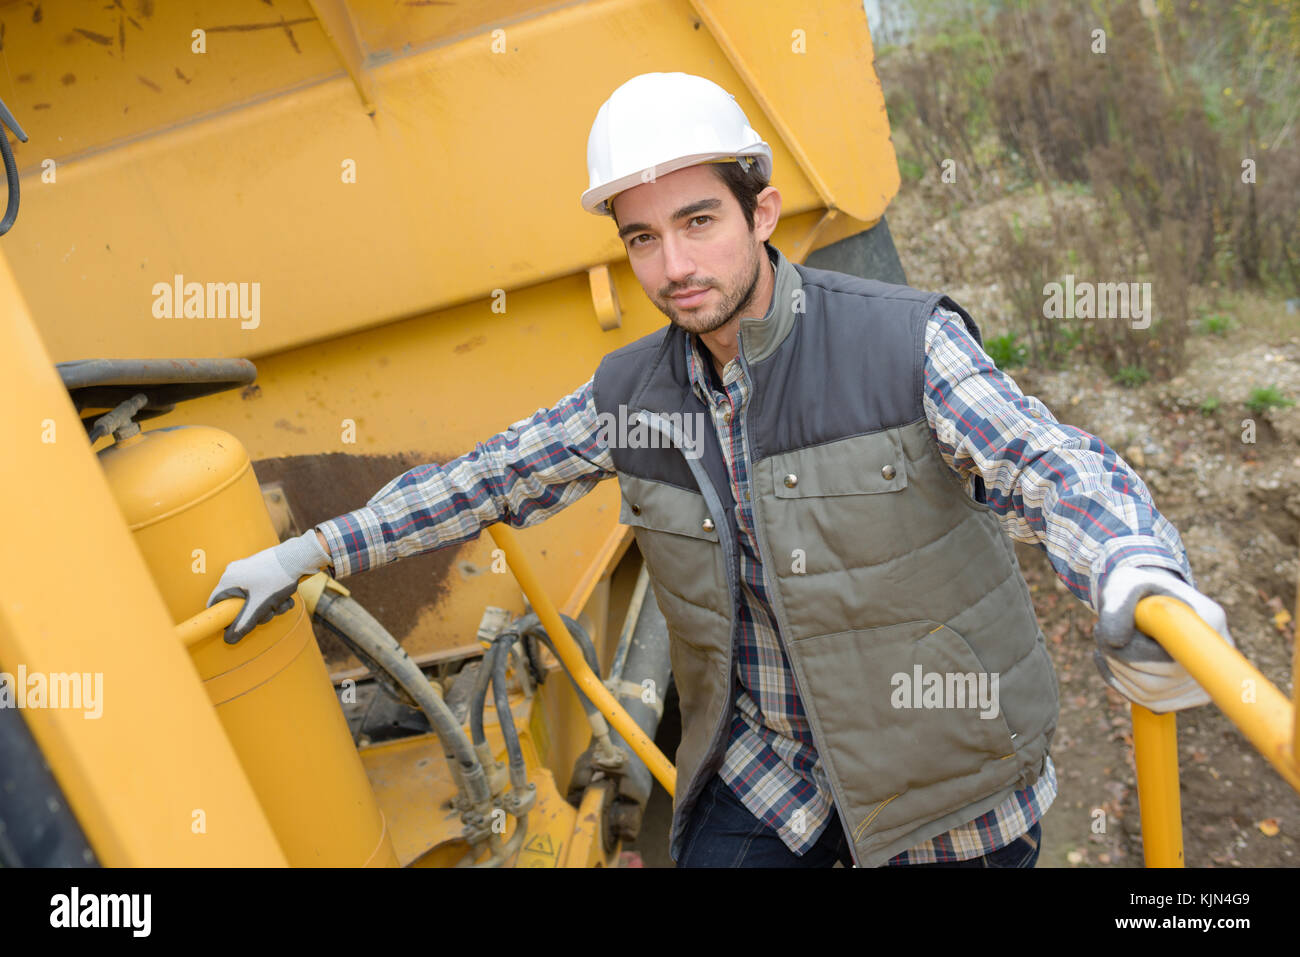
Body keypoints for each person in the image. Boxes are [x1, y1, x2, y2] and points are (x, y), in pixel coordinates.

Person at [208, 72, 1234, 868]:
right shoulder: (633, 394)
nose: (672, 268)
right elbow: (489, 476)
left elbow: (1045, 462)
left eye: (698, 221)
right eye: (642, 239)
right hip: (767, 774)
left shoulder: (898, 342)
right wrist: (311, 547)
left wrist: (1135, 572)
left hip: (944, 785)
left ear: (762, 212)